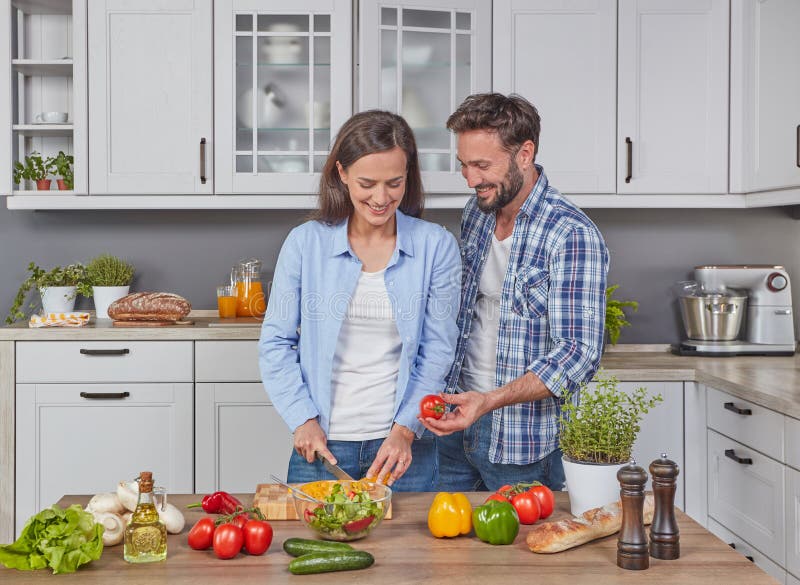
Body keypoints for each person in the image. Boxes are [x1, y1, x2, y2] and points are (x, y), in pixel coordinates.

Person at [259, 110, 460, 490]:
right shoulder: (305, 244)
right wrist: (302, 419)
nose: (381, 198)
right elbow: (276, 342)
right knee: (315, 550)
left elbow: (438, 350)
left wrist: (405, 430)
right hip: (322, 448)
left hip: (403, 452)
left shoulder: (436, 246)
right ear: (341, 172)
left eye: (394, 183)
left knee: (413, 552)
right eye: (368, 183)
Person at [419, 93, 609, 492]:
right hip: (453, 419)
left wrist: (488, 401)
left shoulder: (571, 234)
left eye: (483, 166)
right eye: (464, 166)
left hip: (521, 439)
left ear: (525, 153)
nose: (471, 180)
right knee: (448, 548)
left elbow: (578, 352)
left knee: (519, 551)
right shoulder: (478, 212)